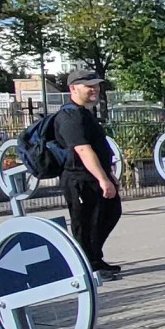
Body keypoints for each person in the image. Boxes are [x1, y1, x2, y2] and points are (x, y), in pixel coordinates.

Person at [52, 69, 122, 280]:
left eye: (96, 85)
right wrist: (102, 178)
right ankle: (87, 266)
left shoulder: (83, 113)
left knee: (109, 213)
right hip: (80, 179)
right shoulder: (70, 116)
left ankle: (95, 259)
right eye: (88, 86)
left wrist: (108, 174)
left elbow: (97, 147)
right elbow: (83, 149)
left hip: (93, 176)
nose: (94, 89)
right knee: (86, 223)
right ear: (73, 88)